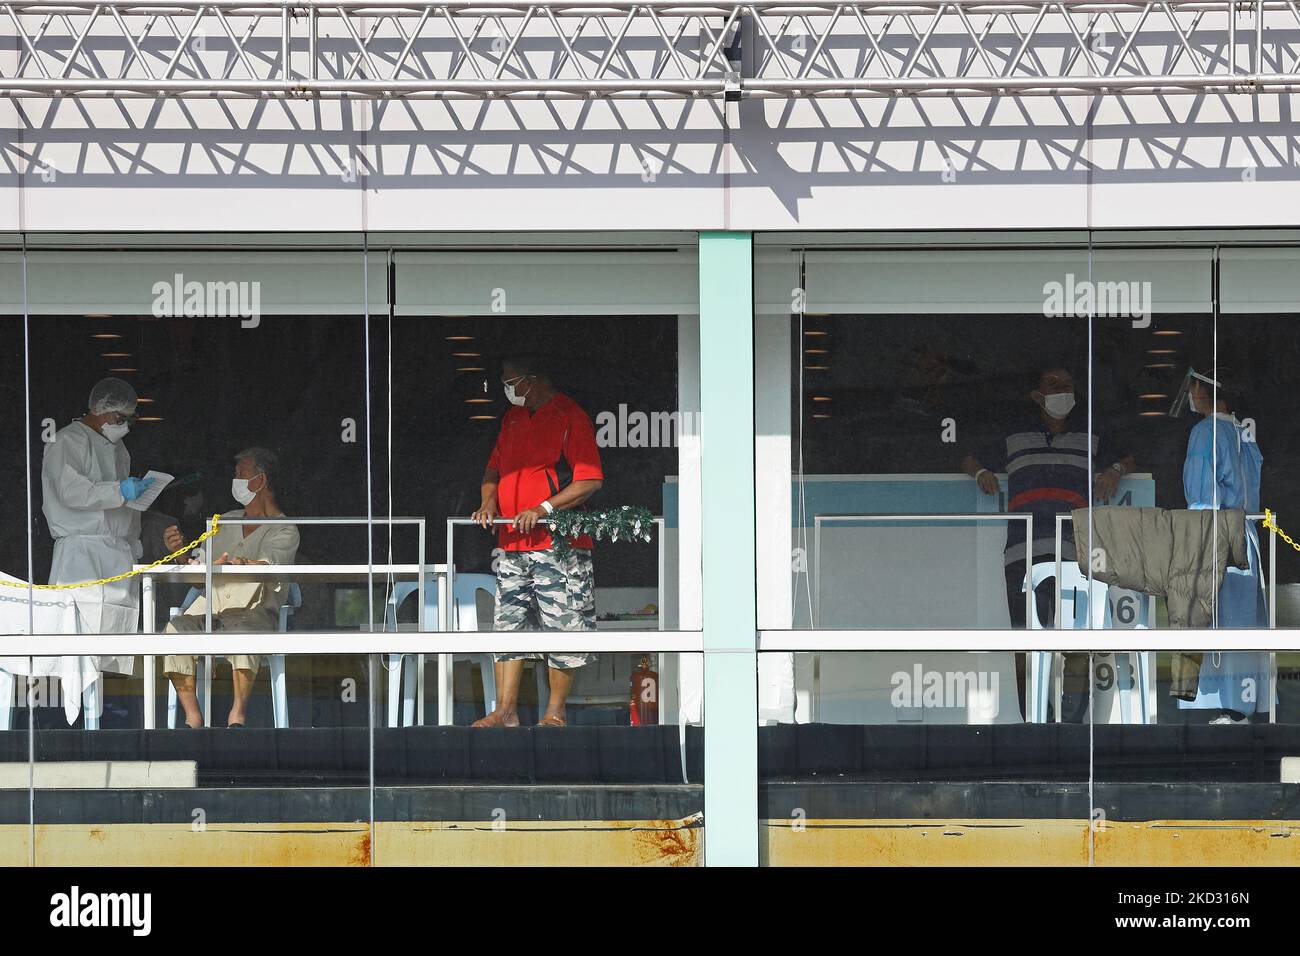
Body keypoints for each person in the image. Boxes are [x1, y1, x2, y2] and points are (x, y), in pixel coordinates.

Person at [961, 364, 1136, 721]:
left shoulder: (1091, 436)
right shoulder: (1015, 436)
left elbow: (1130, 456)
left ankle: (1072, 722)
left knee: (1075, 643)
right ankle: (1035, 720)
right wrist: (980, 473)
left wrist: (1115, 470)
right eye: (1054, 384)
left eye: (1068, 384)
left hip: (1073, 555)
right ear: (1036, 395)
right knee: (1026, 641)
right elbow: (968, 457)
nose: (1062, 390)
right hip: (1022, 554)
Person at [470, 356, 604, 728]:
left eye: (511, 381)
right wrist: (488, 499)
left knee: (562, 626)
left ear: (533, 379)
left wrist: (544, 508)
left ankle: (555, 712)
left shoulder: (569, 415)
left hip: (558, 544)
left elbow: (589, 480)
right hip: (512, 544)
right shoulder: (512, 418)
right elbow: (493, 467)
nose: (507, 390)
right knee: (508, 625)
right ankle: (505, 711)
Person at [40, 377, 155, 719]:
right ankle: (75, 711)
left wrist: (133, 541)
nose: (124, 426)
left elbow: (123, 505)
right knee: (81, 633)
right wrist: (119, 490)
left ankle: (106, 704)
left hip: (117, 552)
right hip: (82, 553)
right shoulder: (67, 441)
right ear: (99, 411)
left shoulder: (119, 449)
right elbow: (72, 492)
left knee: (114, 635)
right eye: (120, 418)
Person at [162, 448, 299, 728]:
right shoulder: (223, 521)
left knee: (244, 634)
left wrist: (243, 563)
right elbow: (198, 570)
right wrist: (179, 554)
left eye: (241, 474)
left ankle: (237, 716)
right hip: (211, 607)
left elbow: (270, 567)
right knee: (174, 630)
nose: (235, 480)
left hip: (253, 611)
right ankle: (192, 717)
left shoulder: (285, 530)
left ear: (261, 480)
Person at [1174, 361, 1270, 723]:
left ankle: (1214, 710)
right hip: (1244, 536)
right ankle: (1242, 709)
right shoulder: (1244, 433)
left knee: (1212, 621)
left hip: (1214, 533)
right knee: (1242, 625)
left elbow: (1201, 494)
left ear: (1201, 391)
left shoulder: (1205, 432)